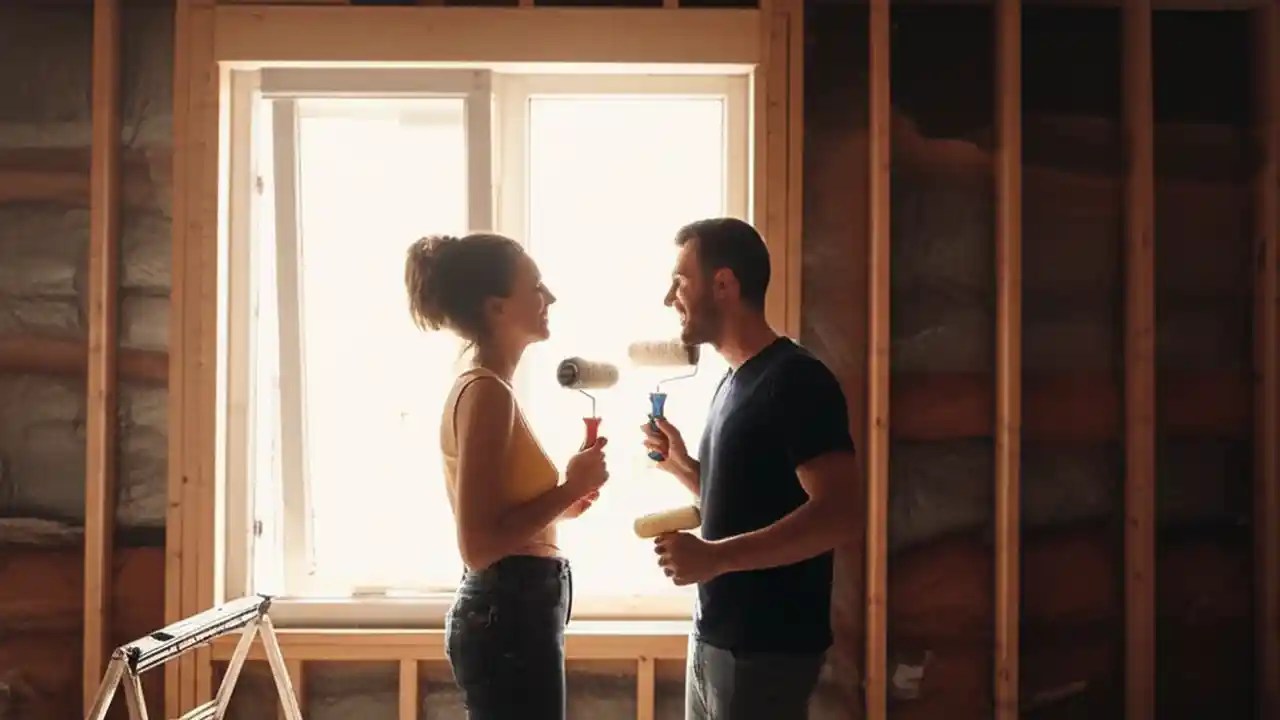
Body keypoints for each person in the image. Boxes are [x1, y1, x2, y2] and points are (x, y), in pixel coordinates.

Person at [641, 218, 861, 720]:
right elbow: (753, 502)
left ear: (723, 284)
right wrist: (685, 469)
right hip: (717, 638)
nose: (668, 298)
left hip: (766, 648)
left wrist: (713, 558)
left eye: (679, 281)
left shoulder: (795, 380)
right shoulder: (735, 382)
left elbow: (841, 514)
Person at [404, 232, 610, 720]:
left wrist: (568, 501)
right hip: (508, 612)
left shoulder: (494, 390)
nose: (550, 298)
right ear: (496, 307)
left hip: (514, 608)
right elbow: (478, 546)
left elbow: (503, 520)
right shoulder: (487, 393)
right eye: (536, 287)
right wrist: (568, 488)